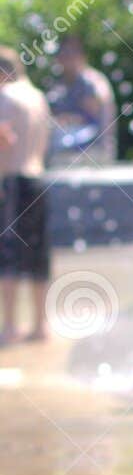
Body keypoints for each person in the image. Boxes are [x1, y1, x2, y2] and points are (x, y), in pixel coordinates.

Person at [0, 48, 53, 344]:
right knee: (37, 253)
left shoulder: (6, 97)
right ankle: (40, 325)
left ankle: (9, 326)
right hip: (38, 179)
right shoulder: (37, 96)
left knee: (8, 253)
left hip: (13, 181)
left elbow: (3, 138)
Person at [47, 34, 117, 164]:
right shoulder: (62, 83)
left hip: (92, 153)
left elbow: (95, 117)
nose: (63, 60)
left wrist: (69, 119)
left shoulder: (91, 82)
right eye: (61, 55)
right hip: (70, 150)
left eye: (69, 55)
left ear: (81, 56)